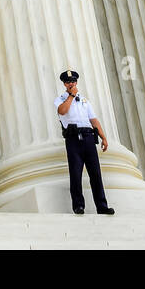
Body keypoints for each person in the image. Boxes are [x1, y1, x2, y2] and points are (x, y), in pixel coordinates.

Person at [55, 68, 115, 215]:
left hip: (88, 137)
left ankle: (102, 206)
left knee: (95, 174)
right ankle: (78, 205)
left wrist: (103, 137)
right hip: (73, 139)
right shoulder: (61, 99)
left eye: (73, 81)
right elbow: (62, 111)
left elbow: (93, 120)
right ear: (64, 84)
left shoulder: (84, 101)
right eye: (68, 82)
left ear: (77, 82)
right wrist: (71, 96)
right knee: (75, 174)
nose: (71, 83)